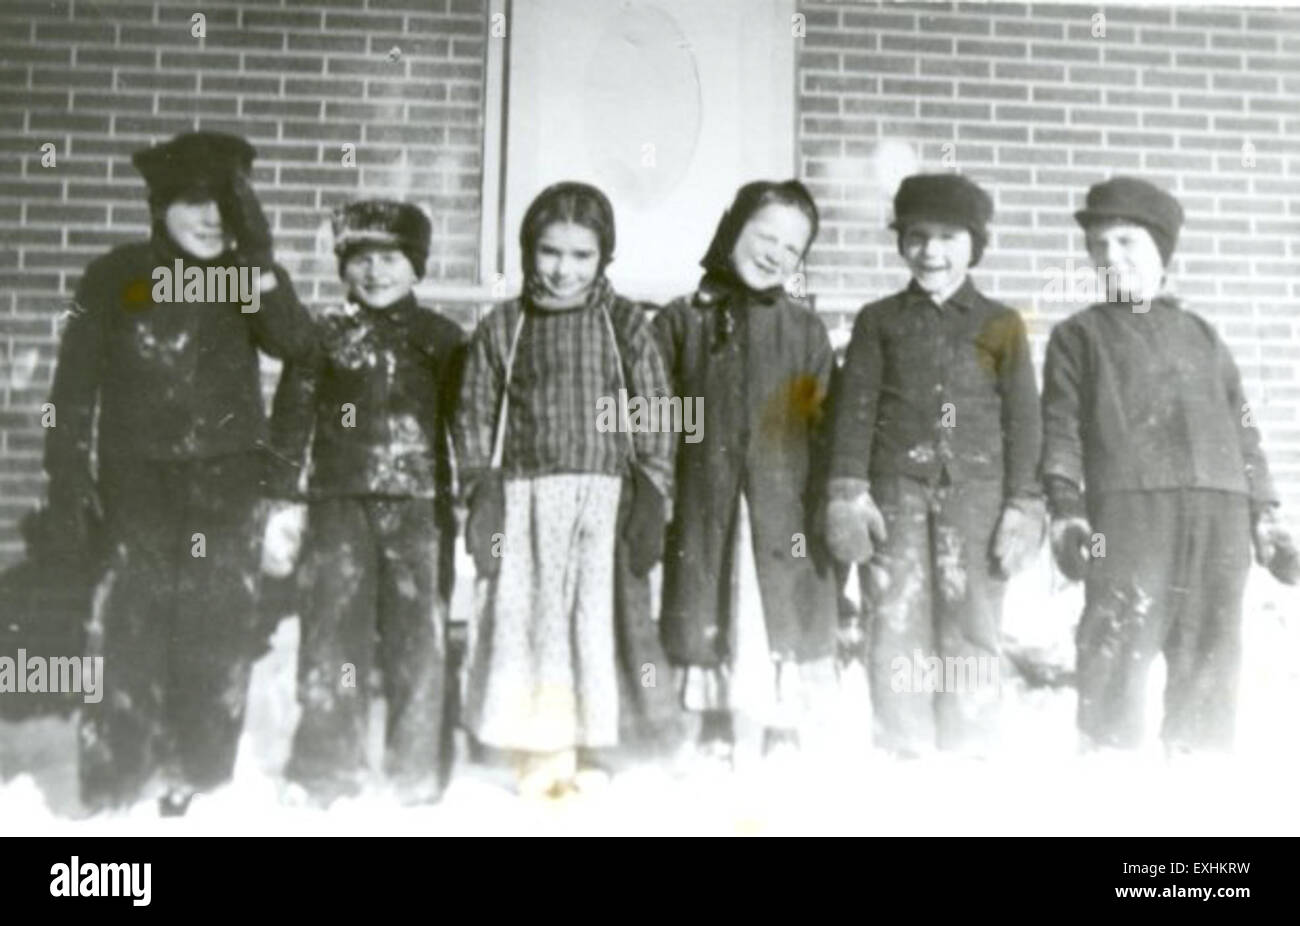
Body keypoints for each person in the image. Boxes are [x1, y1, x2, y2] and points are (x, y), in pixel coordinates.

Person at [44, 131, 316, 815]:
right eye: (195, 201)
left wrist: (281, 474)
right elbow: (72, 388)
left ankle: (197, 780)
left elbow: (302, 354)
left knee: (215, 635)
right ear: (160, 203)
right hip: (136, 487)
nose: (212, 218)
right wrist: (68, 479)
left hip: (229, 490)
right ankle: (117, 784)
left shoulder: (244, 279)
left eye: (228, 202)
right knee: (129, 633)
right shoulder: (114, 276)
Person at [1040, 176, 1297, 753]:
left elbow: (1244, 428)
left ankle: (1194, 786)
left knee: (1210, 651)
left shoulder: (1202, 335)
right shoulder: (1078, 337)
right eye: (1099, 246)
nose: (1111, 257)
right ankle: (1108, 773)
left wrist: (1267, 513)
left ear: (1162, 252)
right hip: (1130, 516)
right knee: (1115, 643)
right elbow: (1060, 429)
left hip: (1220, 514)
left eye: (1127, 242)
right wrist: (1066, 510)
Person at [454, 181, 675, 797]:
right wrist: (480, 489)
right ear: (529, 251)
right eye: (551, 252)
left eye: (582, 256)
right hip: (526, 500)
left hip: (602, 503)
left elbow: (657, 410)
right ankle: (539, 746)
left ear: (604, 258)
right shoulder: (506, 326)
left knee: (594, 625)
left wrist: (655, 490)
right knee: (532, 626)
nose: (563, 269)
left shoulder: (624, 323)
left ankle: (593, 741)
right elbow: (473, 414)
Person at [825, 173, 1043, 757]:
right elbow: (855, 409)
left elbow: (1024, 417)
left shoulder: (1002, 324)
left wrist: (1025, 502)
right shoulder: (879, 320)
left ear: (974, 244)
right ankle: (904, 742)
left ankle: (970, 740)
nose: (931, 251)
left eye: (948, 237)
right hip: (895, 489)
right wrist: (848, 489)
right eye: (917, 236)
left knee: (972, 613)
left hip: (978, 491)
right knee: (896, 610)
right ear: (901, 244)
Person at [268, 200, 465, 805]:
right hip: (338, 504)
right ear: (342, 268)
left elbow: (468, 423)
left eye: (390, 259)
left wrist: (475, 496)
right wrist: (280, 499)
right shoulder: (320, 338)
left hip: (419, 508)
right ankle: (324, 768)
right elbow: (291, 418)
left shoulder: (443, 339)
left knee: (420, 640)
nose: (375, 273)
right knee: (332, 636)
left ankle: (417, 772)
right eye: (361, 260)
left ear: (417, 267)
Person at [654, 179, 840, 765]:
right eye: (765, 237)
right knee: (710, 602)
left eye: (792, 250)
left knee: (779, 609)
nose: (774, 255)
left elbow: (823, 422)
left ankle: (783, 724)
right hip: (705, 496)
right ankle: (713, 720)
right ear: (733, 229)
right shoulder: (683, 320)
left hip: (783, 499)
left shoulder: (804, 330)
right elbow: (655, 414)